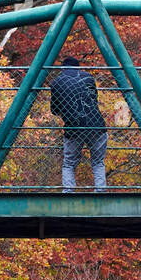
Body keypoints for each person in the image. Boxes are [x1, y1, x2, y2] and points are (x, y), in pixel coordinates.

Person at [49, 56, 107, 192]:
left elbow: (55, 110)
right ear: (78, 67)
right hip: (96, 125)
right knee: (98, 162)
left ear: (63, 68)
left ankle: (68, 192)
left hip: (73, 127)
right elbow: (94, 99)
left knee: (69, 163)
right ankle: (100, 191)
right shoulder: (88, 78)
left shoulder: (56, 83)